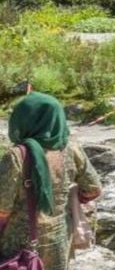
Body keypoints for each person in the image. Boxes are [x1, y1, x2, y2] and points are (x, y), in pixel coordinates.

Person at [0, 92, 102, 270]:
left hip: (18, 245)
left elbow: (2, 207)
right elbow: (93, 189)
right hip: (59, 239)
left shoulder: (16, 156)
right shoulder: (71, 149)